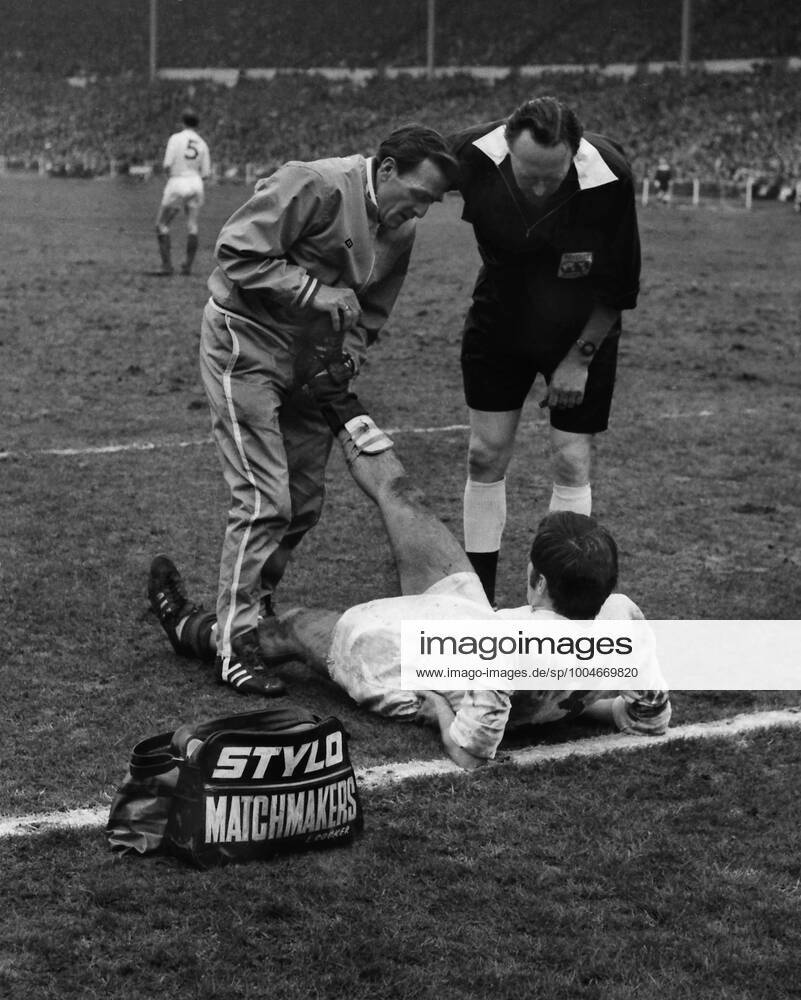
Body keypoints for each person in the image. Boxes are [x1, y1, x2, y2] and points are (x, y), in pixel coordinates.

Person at [148, 431, 671, 770]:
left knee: (291, 627)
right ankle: (343, 408)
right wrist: (569, 704)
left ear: (536, 579)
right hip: (472, 621)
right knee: (405, 499)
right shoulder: (623, 618)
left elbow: (470, 753)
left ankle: (194, 631)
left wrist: (438, 706)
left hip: (406, 663)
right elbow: (647, 717)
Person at [196, 124, 459, 696]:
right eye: (418, 194)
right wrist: (313, 292)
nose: (420, 211)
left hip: (314, 363)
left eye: (431, 203)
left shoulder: (401, 228)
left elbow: (371, 310)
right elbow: (236, 251)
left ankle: (256, 606)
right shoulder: (314, 183)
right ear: (386, 169)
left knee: (303, 502)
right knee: (266, 500)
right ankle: (235, 644)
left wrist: (348, 359)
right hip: (246, 341)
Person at [447, 96, 642, 605]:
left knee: (570, 459)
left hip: (581, 323)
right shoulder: (472, 152)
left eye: (549, 178)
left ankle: (559, 603)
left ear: (573, 155)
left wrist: (579, 358)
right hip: (501, 315)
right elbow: (405, 174)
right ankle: (477, 601)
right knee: (484, 454)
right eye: (526, 175)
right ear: (507, 148)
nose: (536, 188)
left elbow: (620, 285)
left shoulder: (610, 177)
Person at [155, 108, 212, 276]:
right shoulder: (202, 143)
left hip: (178, 181)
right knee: (192, 225)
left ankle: (167, 266)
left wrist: (171, 181)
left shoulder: (176, 138)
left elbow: (167, 165)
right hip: (196, 183)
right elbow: (206, 173)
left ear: (182, 122)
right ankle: (187, 266)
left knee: (162, 224)